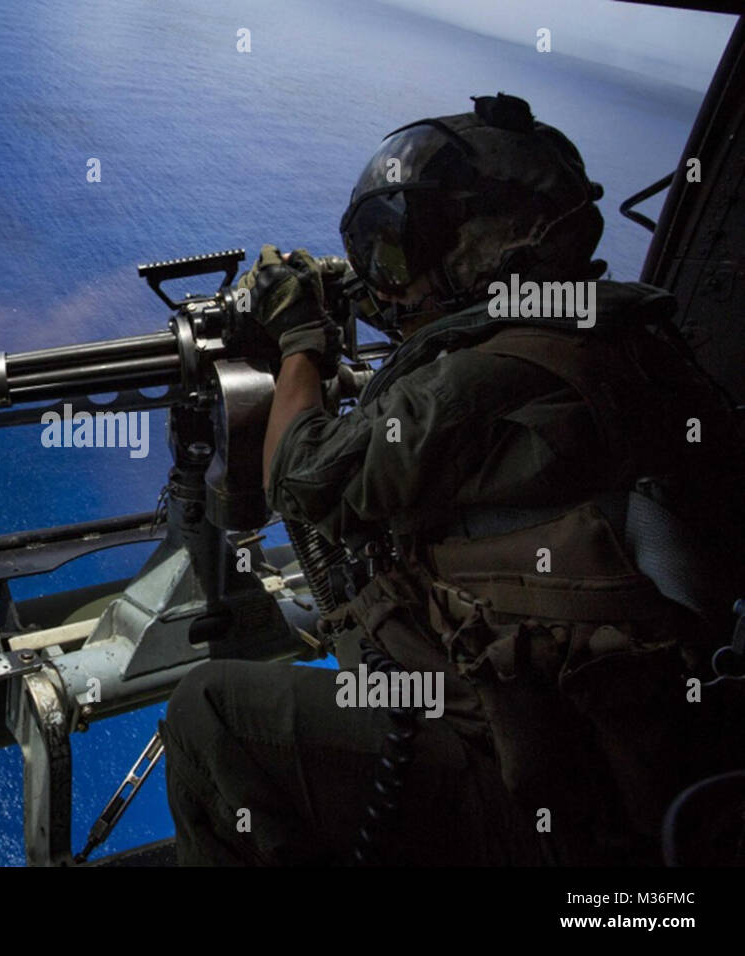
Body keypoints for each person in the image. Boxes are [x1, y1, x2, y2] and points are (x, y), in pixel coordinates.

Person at [161, 93, 742, 866]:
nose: (385, 277)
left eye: (405, 247)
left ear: (491, 246)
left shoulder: (488, 377)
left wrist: (299, 340)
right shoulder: (627, 335)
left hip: (543, 784)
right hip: (631, 749)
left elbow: (303, 485)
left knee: (210, 714)